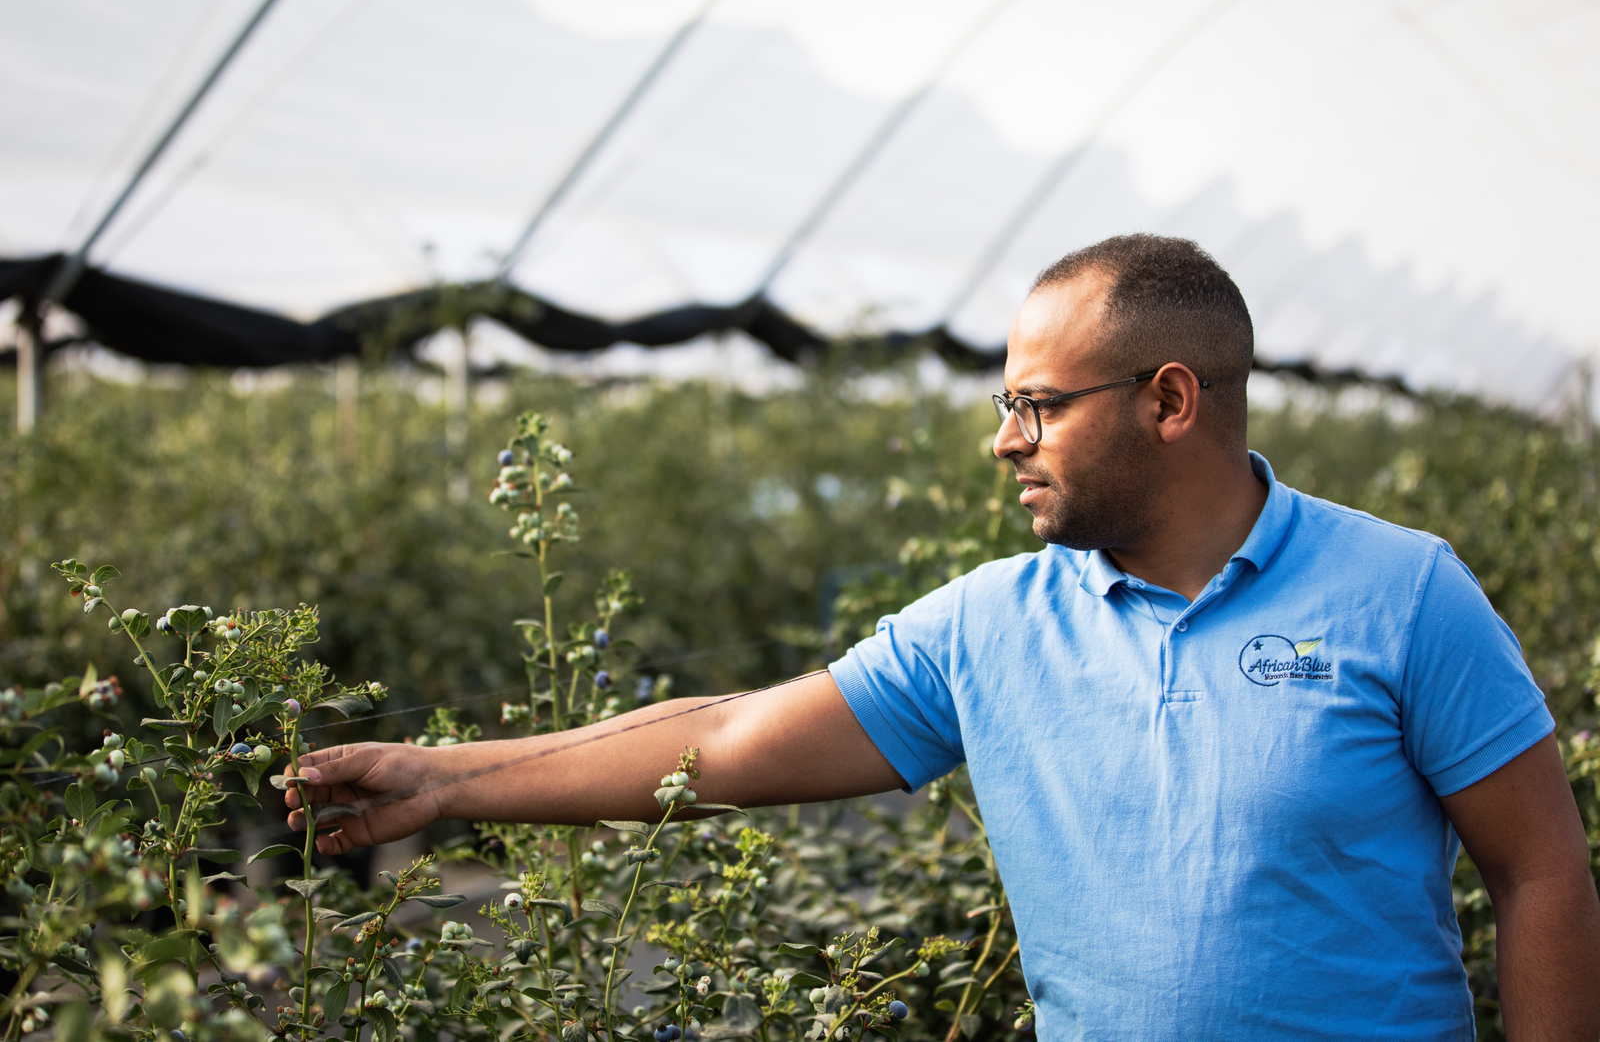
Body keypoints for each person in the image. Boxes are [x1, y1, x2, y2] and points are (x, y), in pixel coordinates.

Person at [284, 235, 1600, 1041]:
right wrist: (445, 779)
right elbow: (725, 741)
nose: (1003, 439)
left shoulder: (1402, 592)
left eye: (1036, 406)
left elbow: (1540, 874)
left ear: (1171, 399)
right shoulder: (991, 631)